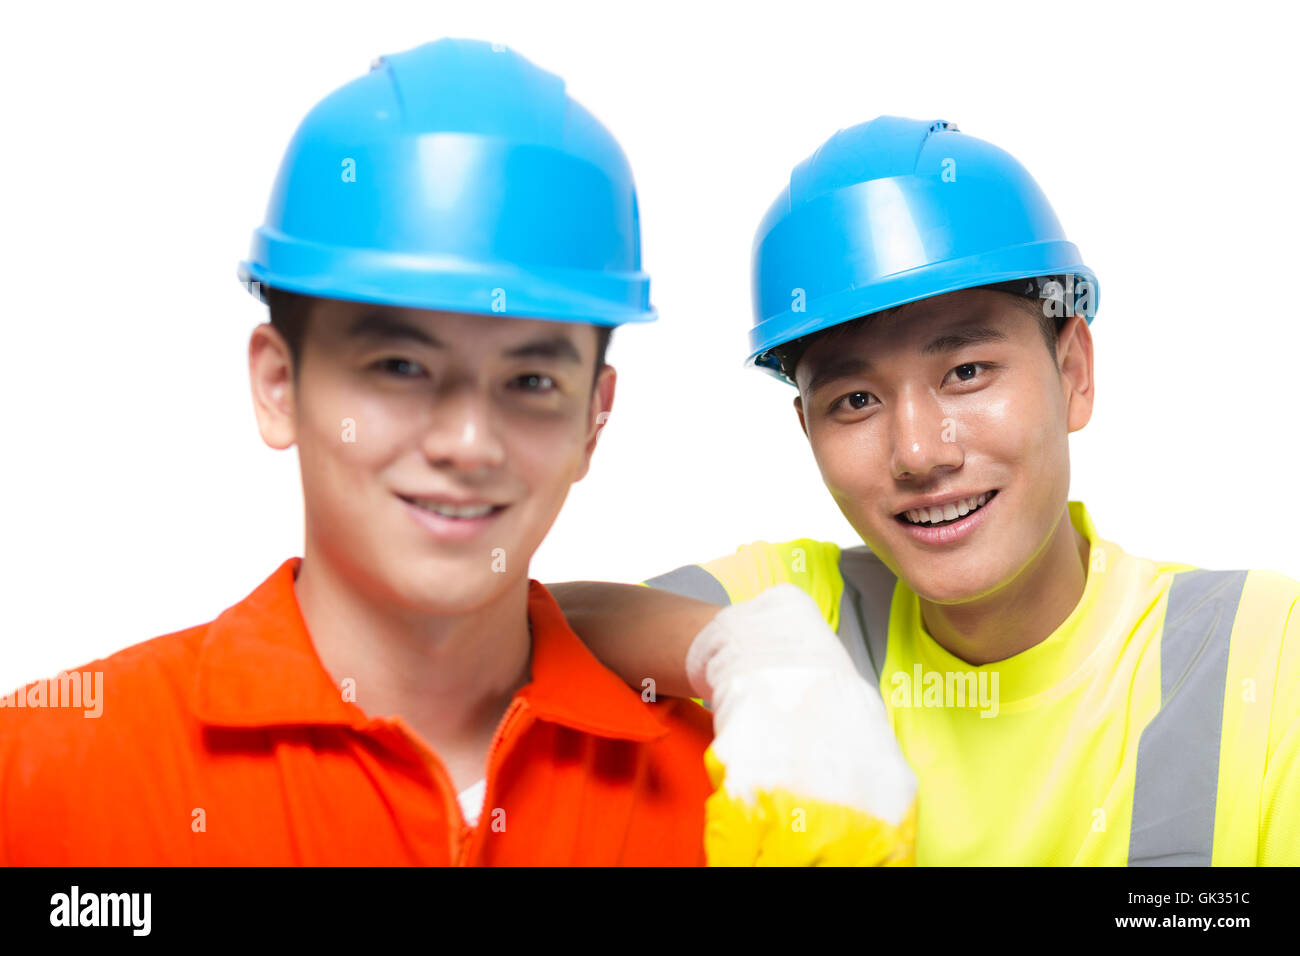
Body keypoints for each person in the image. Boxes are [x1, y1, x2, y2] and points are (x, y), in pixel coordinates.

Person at [0, 41, 916, 866]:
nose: (467, 444)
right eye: (400, 366)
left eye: (529, 382)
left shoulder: (743, 808)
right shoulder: (46, 778)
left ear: (594, 420)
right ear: (279, 385)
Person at [553, 116, 1300, 866]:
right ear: (806, 430)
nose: (917, 453)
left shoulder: (1260, 653)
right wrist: (740, 649)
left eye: (966, 372)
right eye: (855, 400)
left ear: (1073, 372)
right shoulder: (798, 610)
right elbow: (514, 631)